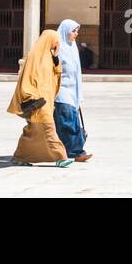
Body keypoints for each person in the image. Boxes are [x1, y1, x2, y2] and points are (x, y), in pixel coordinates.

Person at [8, 30, 73, 167]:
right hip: (37, 100)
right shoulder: (35, 56)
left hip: (46, 100)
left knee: (32, 132)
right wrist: (31, 95)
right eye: (56, 41)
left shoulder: (49, 56)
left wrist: (56, 59)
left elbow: (56, 76)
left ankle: (20, 156)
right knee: (48, 128)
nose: (57, 44)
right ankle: (61, 157)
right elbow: (27, 78)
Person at [54, 19, 91, 163]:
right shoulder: (57, 49)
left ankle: (69, 150)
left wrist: (77, 94)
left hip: (72, 91)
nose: (76, 34)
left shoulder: (72, 47)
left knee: (72, 122)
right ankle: (76, 152)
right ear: (65, 31)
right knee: (68, 122)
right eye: (73, 31)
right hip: (61, 90)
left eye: (77, 31)